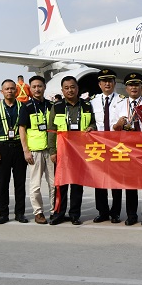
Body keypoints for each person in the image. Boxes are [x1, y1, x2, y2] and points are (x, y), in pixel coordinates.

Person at [50, 75, 95, 225]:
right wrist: (52, 151)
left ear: (78, 88)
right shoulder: (56, 106)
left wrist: (92, 128)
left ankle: (75, 214)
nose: (70, 90)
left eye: (73, 87)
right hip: (62, 152)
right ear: (62, 90)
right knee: (61, 185)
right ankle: (59, 214)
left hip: (80, 152)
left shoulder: (87, 105)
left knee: (77, 185)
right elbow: (51, 130)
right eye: (66, 88)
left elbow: (94, 124)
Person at [113, 72, 142, 226]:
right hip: (127, 148)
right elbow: (113, 129)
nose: (133, 87)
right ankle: (131, 214)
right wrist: (118, 124)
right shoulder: (119, 106)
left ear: (141, 87)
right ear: (126, 88)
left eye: (136, 84)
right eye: (131, 85)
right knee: (130, 183)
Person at [0, 79, 28, 224]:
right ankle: (3, 214)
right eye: (7, 89)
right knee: (3, 183)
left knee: (20, 183)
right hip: (2, 148)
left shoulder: (22, 107)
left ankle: (20, 213)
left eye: (12, 88)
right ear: (2, 91)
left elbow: (24, 129)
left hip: (18, 148)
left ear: (16, 90)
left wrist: (25, 150)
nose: (10, 91)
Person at [19, 75, 55, 225]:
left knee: (54, 184)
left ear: (44, 87)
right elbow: (22, 129)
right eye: (33, 87)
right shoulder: (26, 107)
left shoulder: (51, 105)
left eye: (39, 86)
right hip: (35, 151)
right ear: (30, 89)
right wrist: (26, 150)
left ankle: (55, 211)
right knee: (35, 184)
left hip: (50, 150)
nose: (37, 89)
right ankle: (38, 212)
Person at [91, 69, 124, 223]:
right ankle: (102, 211)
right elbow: (91, 121)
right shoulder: (93, 101)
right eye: (104, 81)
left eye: (110, 80)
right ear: (99, 84)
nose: (107, 83)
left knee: (116, 181)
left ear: (114, 83)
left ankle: (115, 212)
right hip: (99, 146)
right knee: (100, 181)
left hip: (117, 145)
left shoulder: (122, 100)